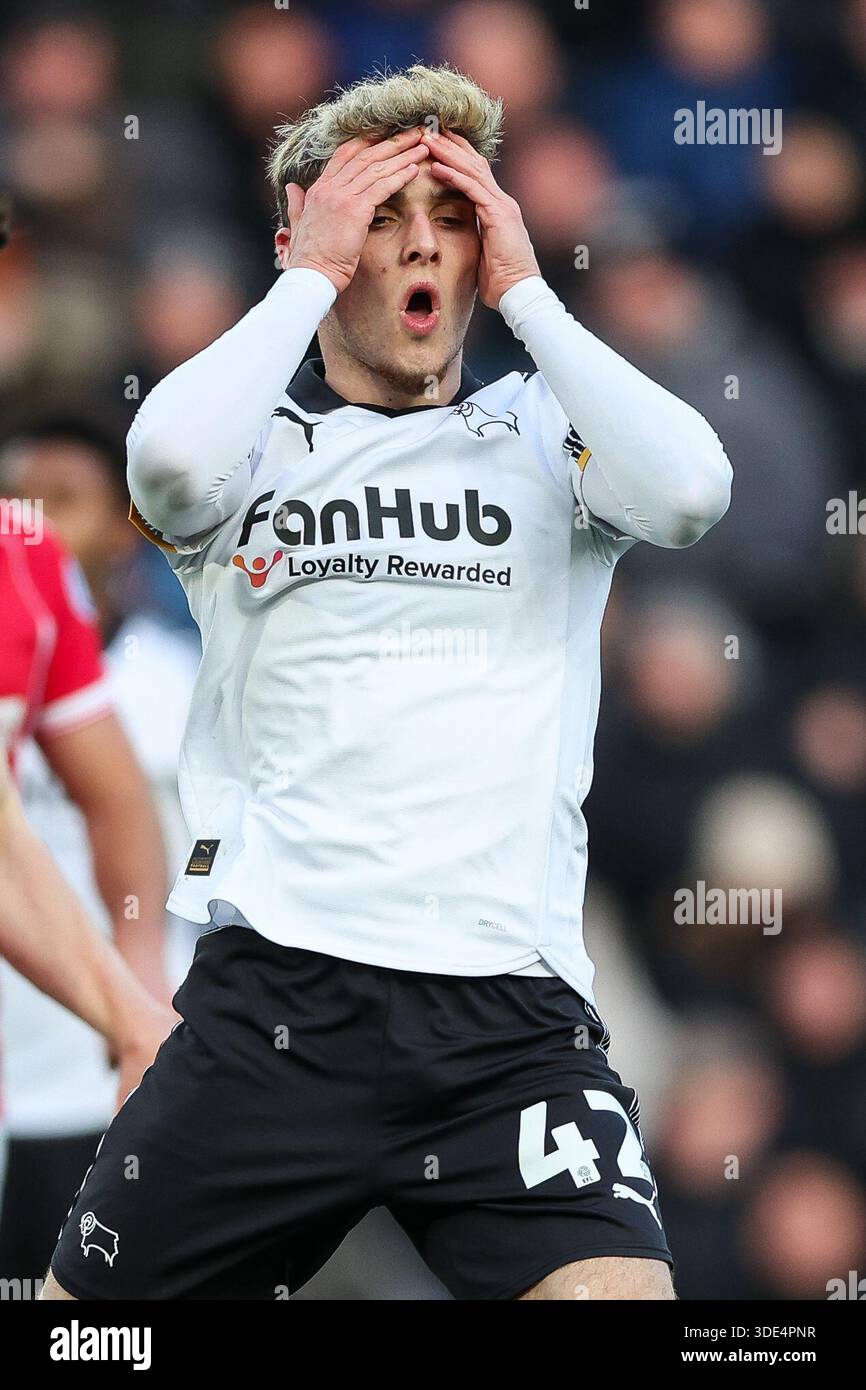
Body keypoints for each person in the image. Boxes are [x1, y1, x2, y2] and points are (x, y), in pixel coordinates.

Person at [44, 63, 731, 1302]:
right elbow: (161, 462)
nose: (422, 247)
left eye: (453, 216)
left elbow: (690, 490)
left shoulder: (543, 432)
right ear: (307, 241)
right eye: (379, 218)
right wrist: (303, 274)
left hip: (507, 1026)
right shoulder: (249, 445)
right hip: (274, 1012)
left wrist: (531, 295)